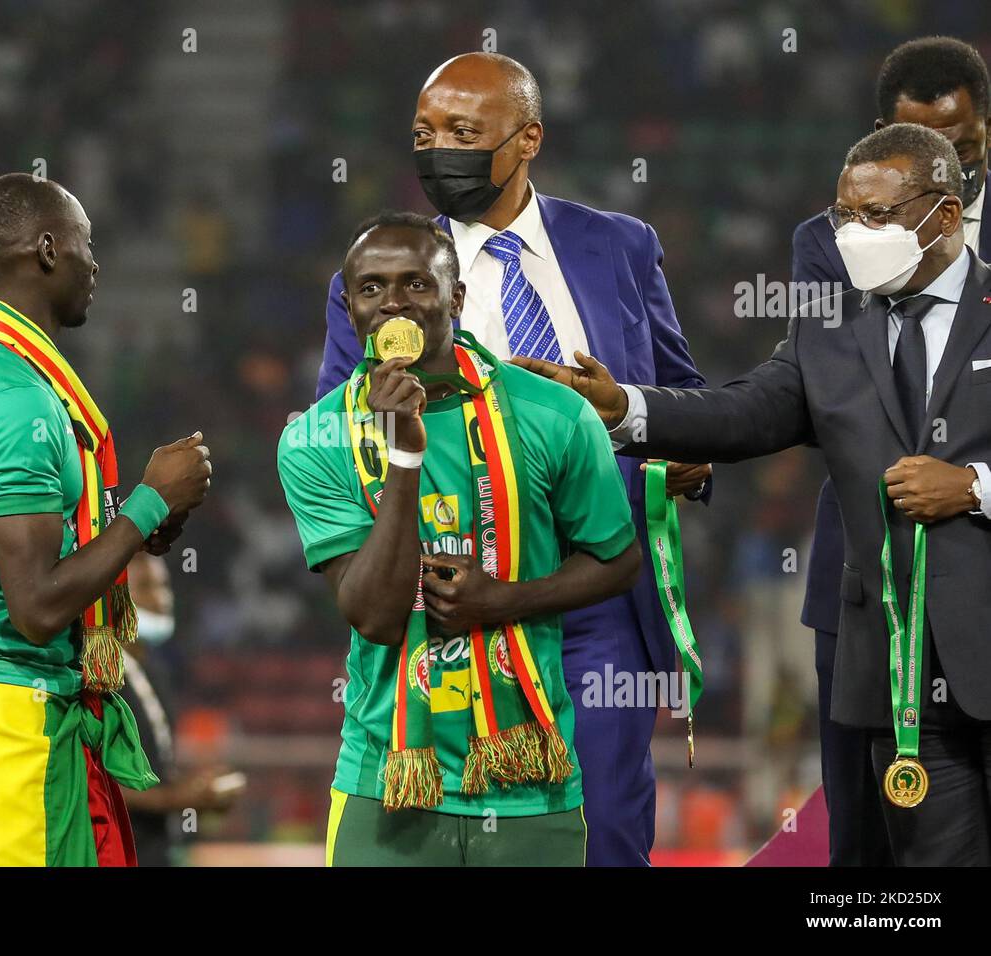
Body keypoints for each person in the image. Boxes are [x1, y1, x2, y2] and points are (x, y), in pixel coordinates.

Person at [519, 123, 991, 866]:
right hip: (904, 681)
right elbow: (742, 412)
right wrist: (624, 408)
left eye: (876, 216)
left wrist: (976, 486)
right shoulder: (833, 331)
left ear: (942, 212)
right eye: (842, 215)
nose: (852, 235)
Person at [313, 52, 711, 866]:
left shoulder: (621, 247)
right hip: (450, 600)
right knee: (458, 835)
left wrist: (680, 452)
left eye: (463, 132)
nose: (438, 151)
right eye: (424, 133)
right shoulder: (390, 274)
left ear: (527, 138)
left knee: (604, 829)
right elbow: (342, 425)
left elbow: (682, 395)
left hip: (597, 586)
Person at [280, 212, 641, 866]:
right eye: (370, 288)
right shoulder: (315, 438)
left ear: (457, 298)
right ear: (350, 308)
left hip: (530, 781)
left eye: (416, 284)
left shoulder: (555, 413)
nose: (392, 302)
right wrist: (404, 460)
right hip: (387, 781)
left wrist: (505, 599)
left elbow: (618, 561)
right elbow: (375, 616)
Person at [0, 173, 213, 866]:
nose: (95, 264)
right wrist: (147, 503)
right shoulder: (17, 399)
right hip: (4, 720)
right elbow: (37, 606)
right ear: (46, 250)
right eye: (85, 244)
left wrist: (128, 524)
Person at [791, 35, 990, 866]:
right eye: (930, 145)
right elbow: (808, 386)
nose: (954, 161)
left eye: (968, 146)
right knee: (869, 843)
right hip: (871, 581)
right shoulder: (827, 241)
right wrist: (649, 417)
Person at [117, 553, 244, 866]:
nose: (162, 598)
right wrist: (177, 798)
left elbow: (150, 768)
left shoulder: (154, 671)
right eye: (146, 587)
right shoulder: (102, 673)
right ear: (113, 597)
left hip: (158, 850)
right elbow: (96, 778)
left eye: (165, 586)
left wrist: (196, 789)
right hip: (120, 849)